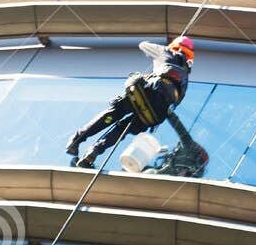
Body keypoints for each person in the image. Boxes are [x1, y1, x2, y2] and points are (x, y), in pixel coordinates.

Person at [66, 37, 194, 169]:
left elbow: (143, 45)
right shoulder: (185, 80)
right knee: (123, 129)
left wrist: (162, 51)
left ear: (175, 47)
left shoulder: (167, 52)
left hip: (146, 92)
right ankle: (94, 152)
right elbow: (176, 103)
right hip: (157, 112)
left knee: (113, 114)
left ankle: (76, 140)